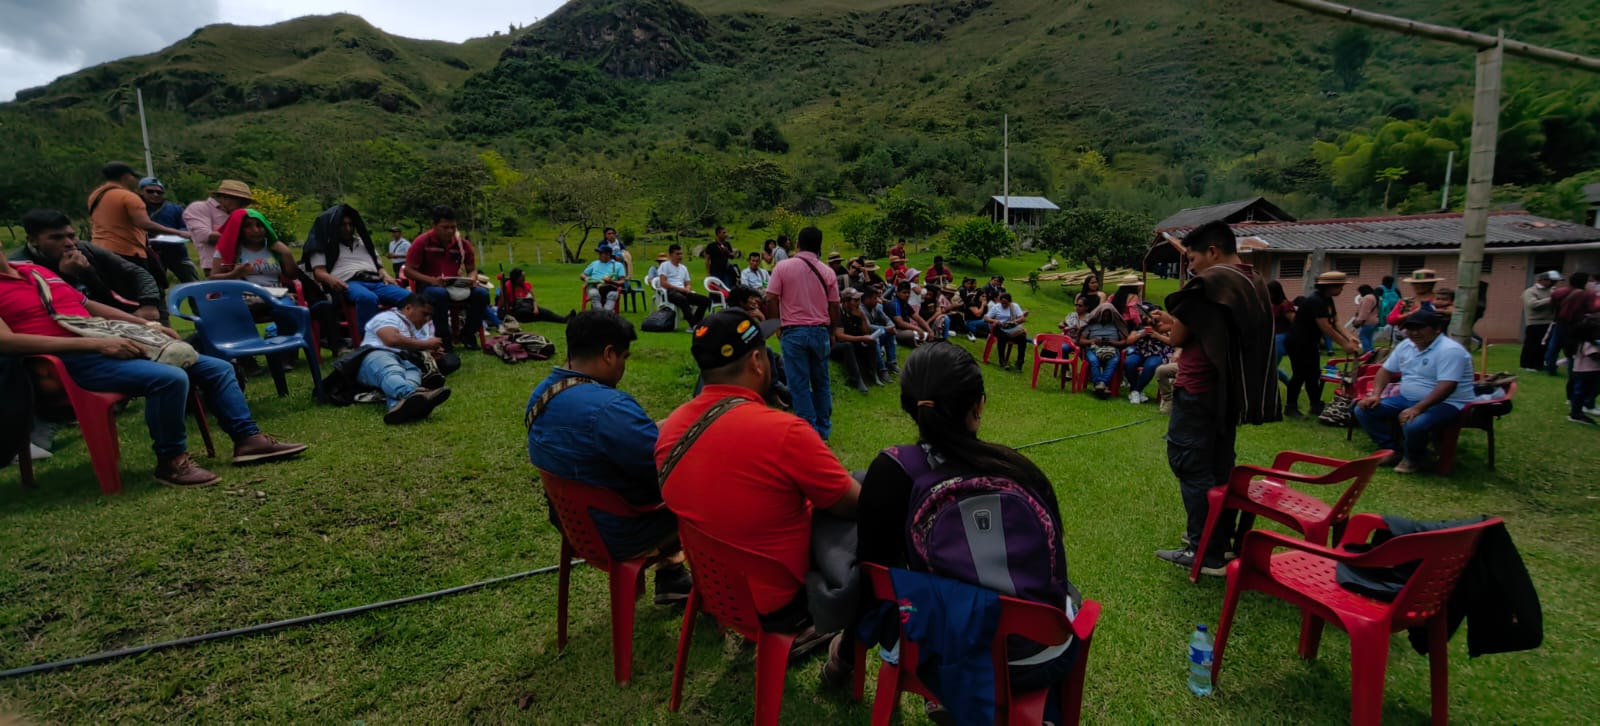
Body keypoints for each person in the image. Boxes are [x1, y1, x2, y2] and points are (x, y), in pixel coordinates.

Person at [855, 342, 1084, 716]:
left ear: (908, 406)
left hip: (936, 650)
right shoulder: (1018, 471)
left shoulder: (889, 470)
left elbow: (873, 572)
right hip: (1037, 658)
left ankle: (942, 697)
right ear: (977, 406)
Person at [0, 256, 306, 486]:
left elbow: (86, 304)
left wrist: (146, 326)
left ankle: (247, 440)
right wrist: (95, 345)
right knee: (170, 378)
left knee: (218, 367)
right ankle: (171, 461)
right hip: (70, 362)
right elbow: (6, 342)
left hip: (113, 341)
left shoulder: (32, 269)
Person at [657, 309, 860, 646]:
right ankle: (819, 635)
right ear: (756, 360)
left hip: (713, 585)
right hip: (779, 604)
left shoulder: (670, 429)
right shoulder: (785, 432)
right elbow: (854, 505)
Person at [526, 310, 693, 601]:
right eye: (625, 358)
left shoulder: (542, 394)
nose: (623, 367)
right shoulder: (608, 407)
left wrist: (677, 422)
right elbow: (662, 467)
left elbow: (617, 439)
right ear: (608, 354)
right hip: (621, 531)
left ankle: (672, 576)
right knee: (704, 491)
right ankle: (725, 593)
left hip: (573, 525)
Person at [1150, 220, 1278, 575]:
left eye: (1192, 258)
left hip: (1198, 389)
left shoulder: (1212, 282)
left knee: (1191, 464)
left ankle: (1201, 549)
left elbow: (1178, 337)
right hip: (1228, 392)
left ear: (1212, 251)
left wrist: (1170, 323)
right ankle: (1218, 543)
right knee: (1220, 467)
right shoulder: (1253, 282)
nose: (1190, 267)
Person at [1354, 310, 1474, 473]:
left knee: (1414, 423)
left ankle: (1414, 459)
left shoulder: (1450, 350)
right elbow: (1385, 371)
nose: (1414, 333)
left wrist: (1418, 408)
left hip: (1447, 403)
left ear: (1437, 329)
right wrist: (1376, 395)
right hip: (1407, 398)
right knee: (1363, 410)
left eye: (1420, 328)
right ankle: (1393, 450)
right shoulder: (1406, 345)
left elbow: (1447, 386)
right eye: (1409, 328)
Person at [12, 209, 162, 321]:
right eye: (56, 238)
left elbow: (136, 271)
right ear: (33, 240)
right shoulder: (20, 267)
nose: (69, 243)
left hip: (120, 311)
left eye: (71, 236)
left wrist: (149, 304)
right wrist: (67, 276)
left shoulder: (85, 248)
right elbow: (49, 310)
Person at [766, 226, 842, 440]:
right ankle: (824, 428)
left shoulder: (782, 267)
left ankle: (809, 431)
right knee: (821, 382)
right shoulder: (828, 271)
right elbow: (834, 306)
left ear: (798, 244)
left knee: (799, 384)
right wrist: (833, 331)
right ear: (819, 246)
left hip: (793, 332)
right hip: (820, 332)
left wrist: (776, 325)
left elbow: (771, 298)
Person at [302, 204, 411, 330]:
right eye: (343, 225)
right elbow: (319, 272)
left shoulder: (363, 243)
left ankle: (408, 337)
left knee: (408, 298)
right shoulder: (323, 245)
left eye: (351, 224)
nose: (348, 228)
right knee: (367, 298)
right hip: (349, 282)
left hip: (375, 280)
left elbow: (379, 266)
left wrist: (386, 274)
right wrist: (331, 280)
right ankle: (370, 342)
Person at [354, 294, 453, 424]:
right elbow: (391, 340)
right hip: (375, 356)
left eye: (430, 316)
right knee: (391, 370)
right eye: (424, 314)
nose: (427, 319)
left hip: (405, 360)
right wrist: (426, 345)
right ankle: (413, 395)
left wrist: (430, 351)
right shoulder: (387, 317)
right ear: (408, 308)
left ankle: (397, 408)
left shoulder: (417, 327)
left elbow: (413, 345)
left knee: (411, 376)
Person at [404, 206, 491, 351]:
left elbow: (472, 269)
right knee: (439, 294)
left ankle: (468, 334)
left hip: (454, 285)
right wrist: (431, 280)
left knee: (482, 294)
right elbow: (408, 270)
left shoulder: (462, 245)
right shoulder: (422, 242)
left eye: (453, 227)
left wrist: (471, 279)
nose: (450, 231)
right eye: (445, 227)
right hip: (428, 286)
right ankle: (444, 338)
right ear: (434, 226)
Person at [87, 162, 186, 285]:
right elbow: (145, 224)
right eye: (134, 177)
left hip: (99, 250)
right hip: (127, 252)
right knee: (145, 291)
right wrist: (179, 233)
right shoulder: (128, 196)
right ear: (126, 177)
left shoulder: (96, 195)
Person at [1285, 271, 1360, 418]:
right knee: (1300, 374)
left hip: (1310, 343)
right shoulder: (1315, 301)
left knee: (1313, 374)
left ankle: (1315, 404)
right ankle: (1290, 407)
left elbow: (1336, 322)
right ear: (1330, 287)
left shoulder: (1327, 300)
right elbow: (1325, 327)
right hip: (1298, 343)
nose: (1341, 290)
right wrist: (1344, 344)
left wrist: (1350, 337)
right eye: (1340, 287)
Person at [183, 179, 256, 278]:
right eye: (242, 202)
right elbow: (205, 236)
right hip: (217, 267)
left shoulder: (236, 212)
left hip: (243, 264)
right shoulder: (200, 208)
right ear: (226, 197)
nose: (244, 206)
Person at [138, 177, 200, 284]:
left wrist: (178, 234)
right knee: (153, 284)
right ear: (141, 192)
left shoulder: (175, 209)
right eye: (150, 191)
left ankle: (197, 300)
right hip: (149, 253)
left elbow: (187, 227)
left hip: (176, 251)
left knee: (192, 281)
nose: (155, 194)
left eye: (159, 192)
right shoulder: (137, 209)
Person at [830, 288, 886, 393]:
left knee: (871, 342)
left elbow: (866, 332)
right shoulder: (839, 313)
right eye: (855, 300)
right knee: (847, 346)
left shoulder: (857, 312)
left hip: (854, 341)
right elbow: (840, 336)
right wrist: (861, 338)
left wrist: (863, 318)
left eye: (859, 300)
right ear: (846, 301)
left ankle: (874, 373)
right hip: (836, 345)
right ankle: (856, 379)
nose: (858, 303)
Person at [1075, 302, 1129, 396]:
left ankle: (1101, 384)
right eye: (1104, 316)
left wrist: (1112, 343)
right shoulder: (1091, 325)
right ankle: (1100, 385)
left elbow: (1124, 342)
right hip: (1093, 349)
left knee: (1114, 361)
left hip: (1112, 349)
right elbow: (1081, 341)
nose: (1105, 318)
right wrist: (1093, 341)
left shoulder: (1116, 325)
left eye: (1108, 316)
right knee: (1093, 361)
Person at [1122, 306, 1173, 405]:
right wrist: (1141, 334)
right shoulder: (1140, 327)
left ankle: (1136, 391)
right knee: (1129, 363)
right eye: (1149, 315)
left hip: (1157, 353)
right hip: (1140, 352)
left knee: (1151, 365)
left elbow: (1172, 342)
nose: (1151, 318)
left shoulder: (1164, 327)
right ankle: (1136, 391)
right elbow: (1128, 341)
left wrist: (1157, 335)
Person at [657, 244, 710, 326]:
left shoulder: (683, 268)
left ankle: (696, 322)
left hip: (683, 291)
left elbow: (687, 283)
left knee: (705, 300)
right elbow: (663, 283)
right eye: (677, 254)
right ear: (671, 255)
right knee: (682, 299)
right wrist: (681, 289)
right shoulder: (665, 265)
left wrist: (688, 288)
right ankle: (694, 325)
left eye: (681, 254)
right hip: (670, 292)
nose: (680, 256)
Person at [1521, 271, 1561, 371]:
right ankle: (1527, 365)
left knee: (1543, 346)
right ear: (1542, 280)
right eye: (1552, 281)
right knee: (1531, 344)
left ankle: (1538, 365)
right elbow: (1532, 304)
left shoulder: (1552, 291)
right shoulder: (1530, 291)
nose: (1554, 283)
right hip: (1535, 322)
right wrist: (1551, 299)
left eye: (1555, 281)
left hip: (1549, 322)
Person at [500, 268, 569, 325]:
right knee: (525, 312)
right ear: (516, 278)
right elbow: (504, 302)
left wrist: (536, 308)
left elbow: (533, 299)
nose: (524, 279)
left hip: (530, 307)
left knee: (545, 312)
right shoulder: (508, 286)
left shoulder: (526, 285)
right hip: (517, 311)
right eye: (522, 278)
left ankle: (563, 319)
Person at [985, 291, 1030, 372]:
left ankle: (1020, 362)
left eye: (1006, 303)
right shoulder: (996, 307)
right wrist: (994, 320)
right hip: (998, 327)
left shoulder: (1015, 306)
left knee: (1022, 338)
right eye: (1002, 303)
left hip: (1011, 328)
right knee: (1002, 337)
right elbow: (986, 318)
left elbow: (1022, 318)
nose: (1004, 305)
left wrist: (1014, 322)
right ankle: (1002, 361)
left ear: (1010, 302)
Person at [861, 286, 899, 379]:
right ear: (867, 299)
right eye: (875, 298)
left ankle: (891, 362)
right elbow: (868, 327)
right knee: (876, 338)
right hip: (862, 339)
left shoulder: (876, 308)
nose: (877, 300)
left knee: (890, 334)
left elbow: (887, 320)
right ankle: (882, 369)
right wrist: (886, 329)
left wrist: (891, 327)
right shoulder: (861, 309)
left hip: (874, 333)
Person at [579, 243, 628, 313]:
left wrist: (611, 282)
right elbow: (582, 275)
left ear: (608, 255)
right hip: (594, 287)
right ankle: (601, 313)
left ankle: (605, 313)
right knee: (593, 294)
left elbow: (622, 281)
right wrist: (587, 278)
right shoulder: (594, 263)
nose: (598, 255)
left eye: (601, 253)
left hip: (611, 287)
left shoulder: (618, 265)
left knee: (612, 295)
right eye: (599, 253)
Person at [888, 281, 936, 348]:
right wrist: (917, 329)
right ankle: (917, 345)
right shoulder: (894, 304)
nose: (907, 295)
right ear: (898, 293)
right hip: (895, 330)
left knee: (928, 334)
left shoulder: (905, 303)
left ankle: (924, 342)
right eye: (904, 292)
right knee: (910, 334)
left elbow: (917, 318)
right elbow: (900, 323)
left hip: (905, 329)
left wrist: (930, 330)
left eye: (908, 293)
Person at [1268, 279, 1294, 385]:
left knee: (1271, 367)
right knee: (1270, 368)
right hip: (1273, 337)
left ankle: (1290, 384)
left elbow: (1295, 322)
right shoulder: (1271, 305)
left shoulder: (1285, 305)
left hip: (1281, 338)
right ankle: (1290, 384)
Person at [1353, 283, 1381, 353]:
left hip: (1368, 321)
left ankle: (1367, 353)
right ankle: (1372, 352)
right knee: (1369, 338)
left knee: (1363, 336)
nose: (1360, 294)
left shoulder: (1367, 298)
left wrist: (1359, 321)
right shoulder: (1374, 297)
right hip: (1374, 321)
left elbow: (1364, 311)